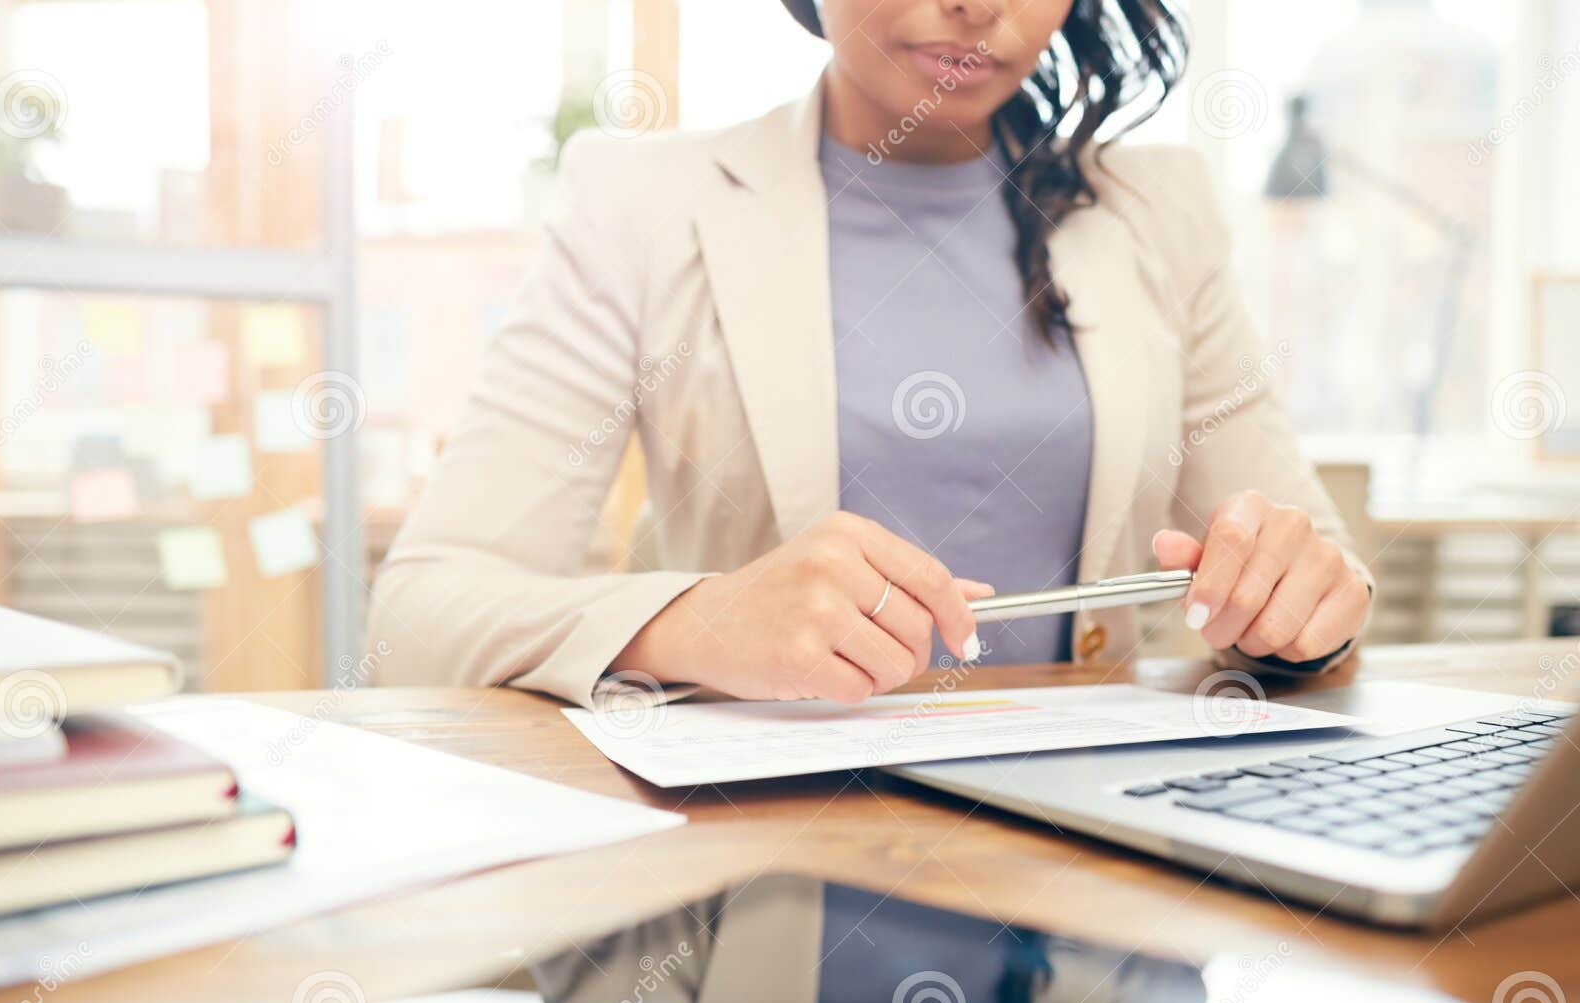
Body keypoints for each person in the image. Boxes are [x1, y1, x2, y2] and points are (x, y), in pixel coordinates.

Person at [369, 0, 1372, 706]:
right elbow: (418, 618)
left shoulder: (1158, 209)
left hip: (1092, 870)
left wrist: (1298, 601)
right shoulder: (640, 206)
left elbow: (1328, 592)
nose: (978, 6)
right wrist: (701, 624)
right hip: (776, 863)